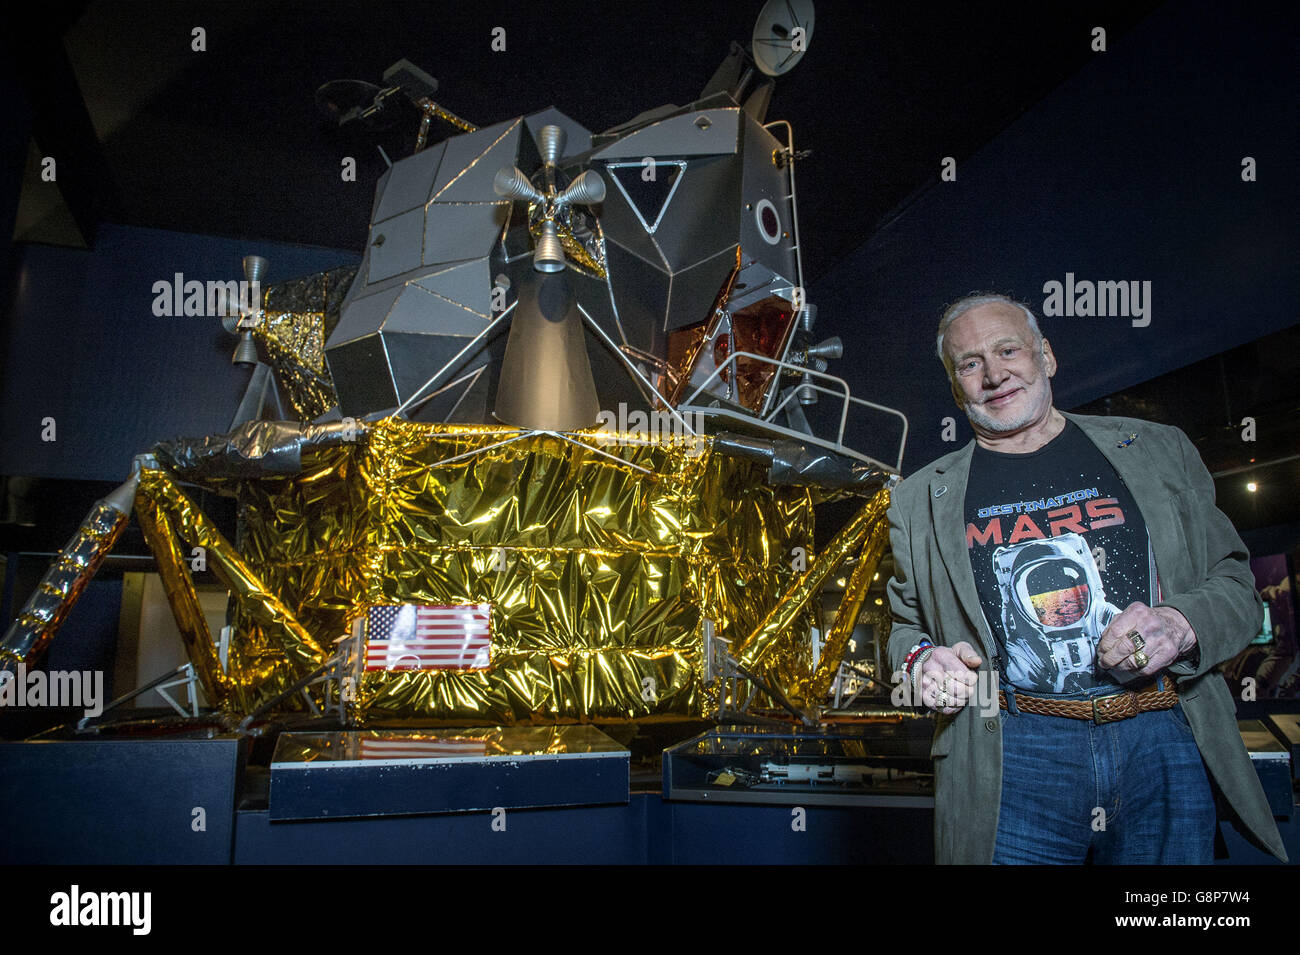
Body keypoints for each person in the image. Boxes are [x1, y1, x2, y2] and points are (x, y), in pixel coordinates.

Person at [885, 292, 1287, 864]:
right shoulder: (918, 497)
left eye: (1008, 350)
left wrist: (1178, 624)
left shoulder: (1156, 449)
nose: (994, 374)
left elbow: (1235, 584)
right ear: (956, 387)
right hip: (1013, 753)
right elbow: (904, 626)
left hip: (1162, 733)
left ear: (1046, 357)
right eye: (970, 363)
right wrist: (921, 660)